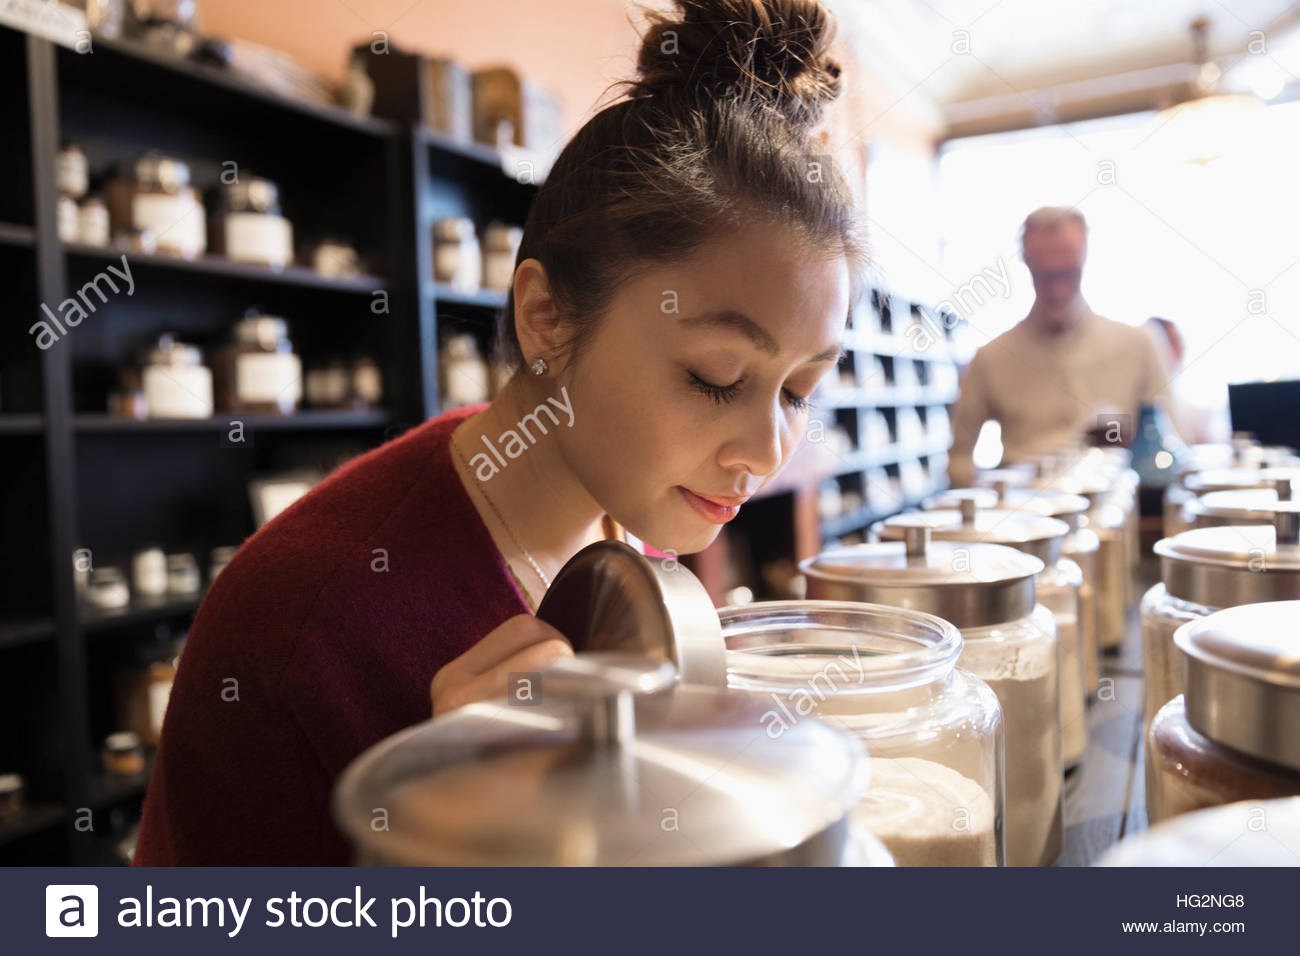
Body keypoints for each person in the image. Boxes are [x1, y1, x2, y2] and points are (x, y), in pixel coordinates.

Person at [133, 0, 864, 865]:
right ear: (547, 317)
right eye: (715, 377)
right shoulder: (297, 626)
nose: (768, 451)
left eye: (798, 391)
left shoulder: (641, 525)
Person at [947, 207, 1170, 486]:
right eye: (1045, 275)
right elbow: (958, 458)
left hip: (1112, 503)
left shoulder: (1138, 345)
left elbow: (1165, 442)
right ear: (1026, 261)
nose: (1057, 290)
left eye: (1067, 272)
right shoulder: (990, 357)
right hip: (1023, 516)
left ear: (1084, 256)